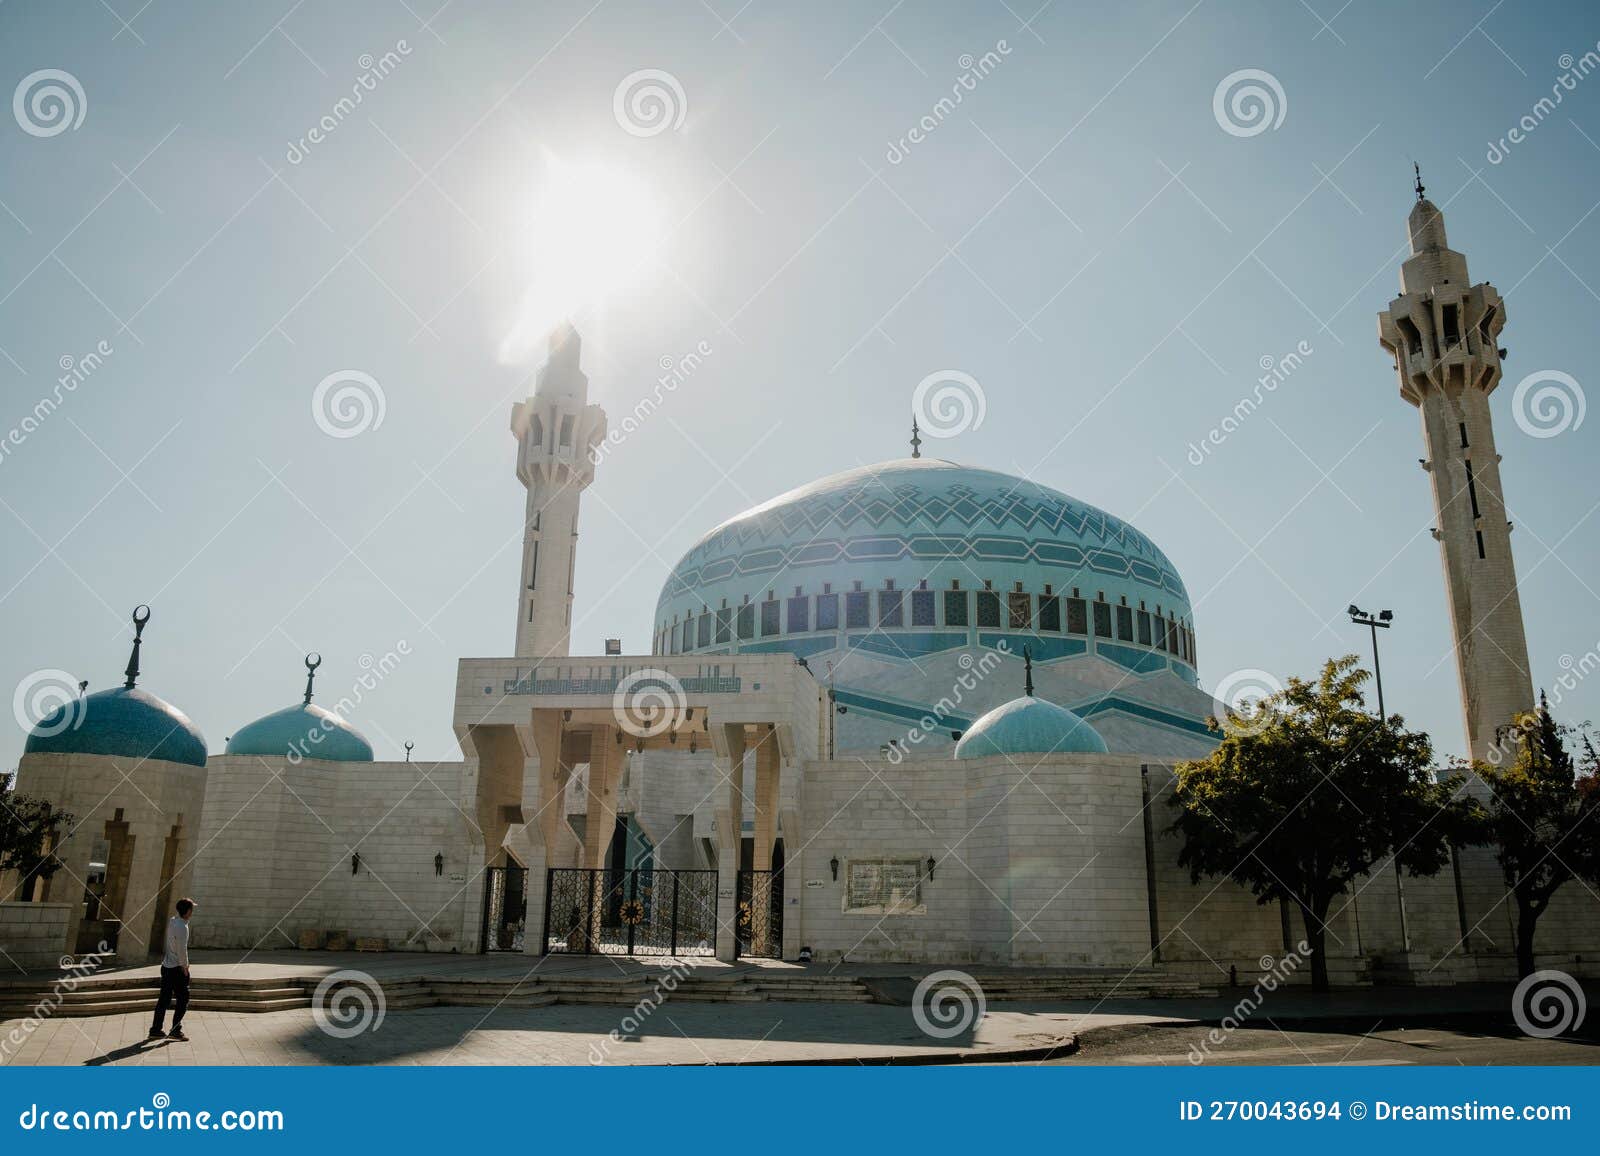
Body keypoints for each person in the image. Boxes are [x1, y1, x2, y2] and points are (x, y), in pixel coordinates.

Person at [148, 897, 195, 1042]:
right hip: (177, 969)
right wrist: (185, 967)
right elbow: (182, 949)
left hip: (166, 966)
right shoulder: (182, 927)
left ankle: (155, 1029)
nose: (192, 912)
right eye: (191, 909)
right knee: (183, 999)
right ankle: (175, 1030)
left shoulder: (173, 921)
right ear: (187, 911)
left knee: (164, 999)